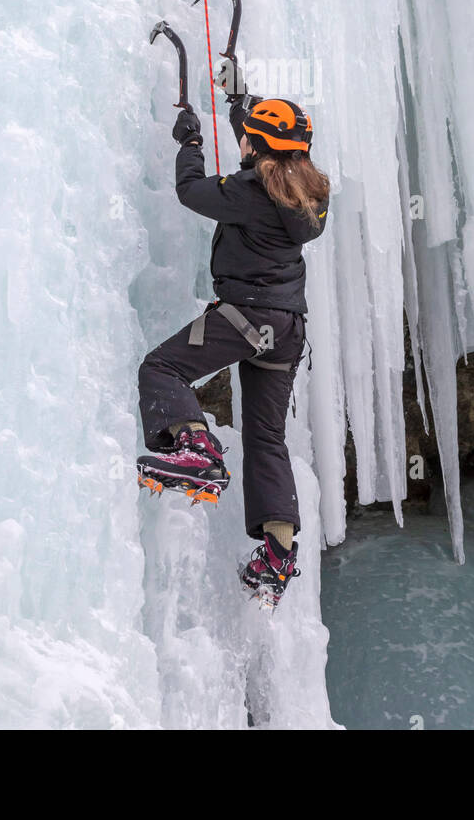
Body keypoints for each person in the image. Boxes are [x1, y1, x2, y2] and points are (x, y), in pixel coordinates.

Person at [137, 90, 330, 606]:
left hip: (246, 317)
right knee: (267, 437)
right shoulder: (311, 196)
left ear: (256, 147)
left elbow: (192, 191)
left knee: (162, 368)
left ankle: (196, 449)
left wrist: (191, 140)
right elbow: (266, 147)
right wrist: (240, 105)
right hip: (288, 330)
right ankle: (278, 550)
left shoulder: (248, 190)